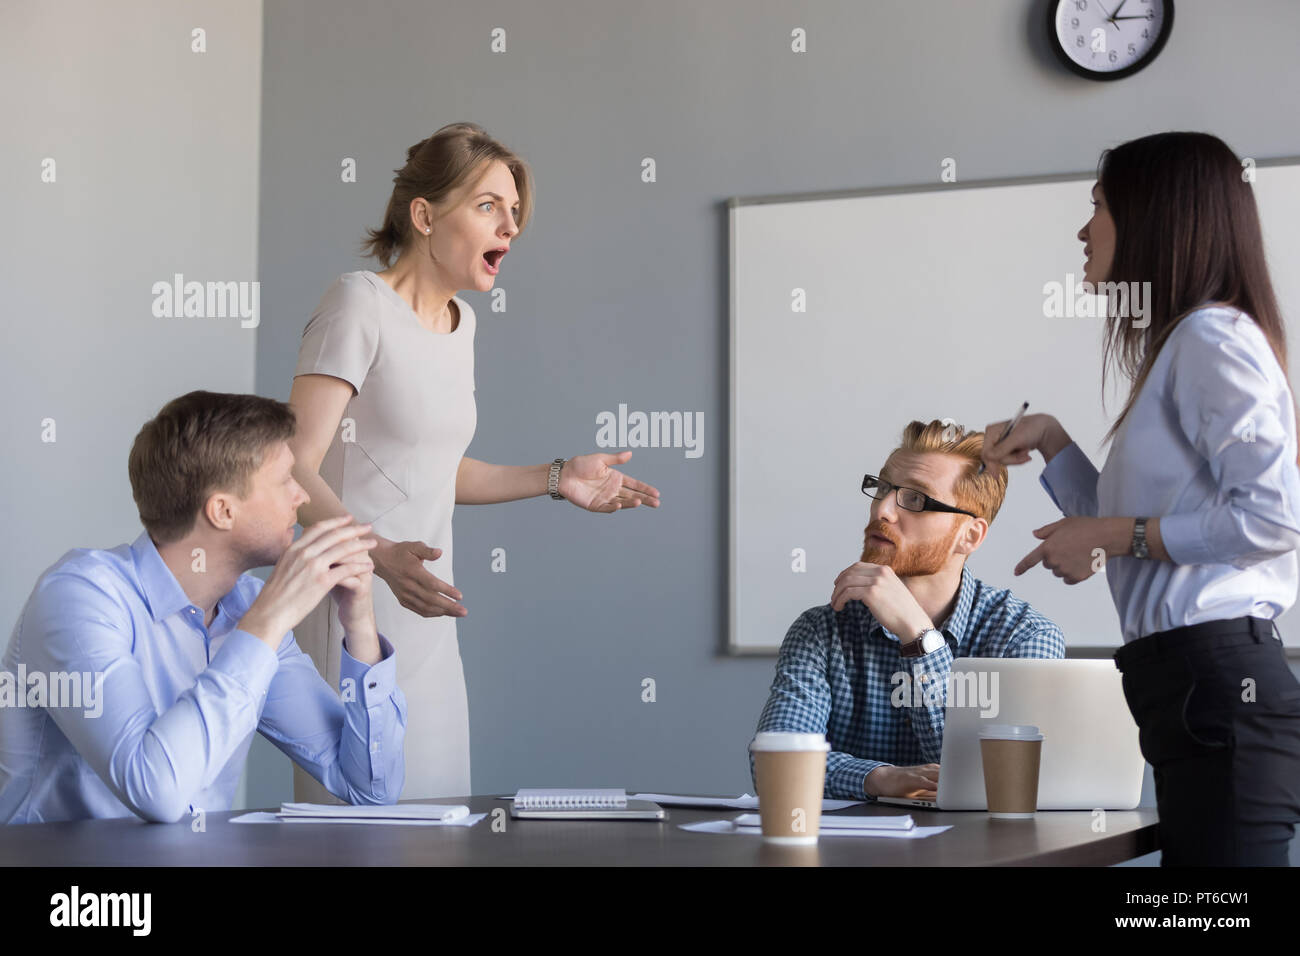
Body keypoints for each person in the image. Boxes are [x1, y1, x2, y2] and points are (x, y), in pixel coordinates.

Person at [288, 122, 661, 803]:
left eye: (515, 212)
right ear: (424, 215)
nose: (510, 226)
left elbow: (433, 469)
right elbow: (291, 465)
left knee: (437, 823)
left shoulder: (464, 326)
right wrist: (376, 554)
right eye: (490, 205)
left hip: (427, 620)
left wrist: (557, 479)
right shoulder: (356, 304)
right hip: (353, 609)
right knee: (357, 833)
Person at [981, 131, 1300, 866]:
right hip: (1186, 687)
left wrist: (1114, 537)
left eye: (1098, 206)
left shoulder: (1211, 340)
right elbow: (1141, 523)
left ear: (1156, 216)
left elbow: (1273, 517)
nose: (1083, 229)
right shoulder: (1184, 347)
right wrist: (1055, 443)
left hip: (1217, 684)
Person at [0, 391, 400, 823]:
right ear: (223, 510)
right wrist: (266, 623)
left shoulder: (247, 609)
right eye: (286, 479)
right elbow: (155, 791)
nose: (302, 496)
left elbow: (369, 787)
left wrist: (357, 621)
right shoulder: (79, 597)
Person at [751, 419, 1065, 802]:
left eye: (915, 499)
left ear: (970, 535)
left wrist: (919, 638)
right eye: (882, 488)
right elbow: (777, 767)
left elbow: (996, 786)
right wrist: (880, 778)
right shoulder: (821, 630)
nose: (882, 510)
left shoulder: (1024, 638)